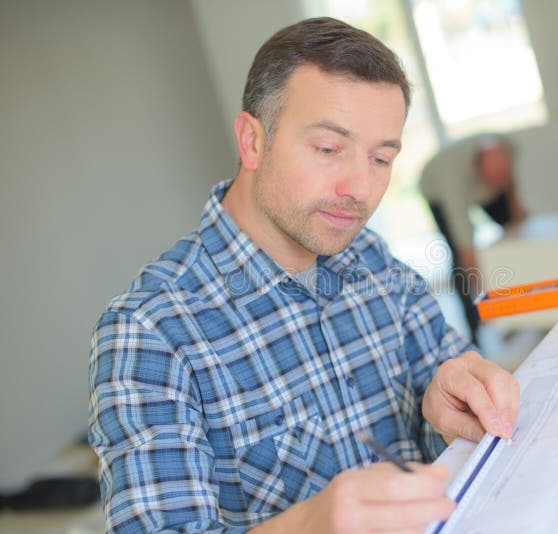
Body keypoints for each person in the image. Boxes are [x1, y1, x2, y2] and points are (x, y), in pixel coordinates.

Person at [88, 17, 519, 533]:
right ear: (252, 141)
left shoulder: (374, 262)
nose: (360, 187)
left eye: (381, 158)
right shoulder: (149, 332)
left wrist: (453, 411)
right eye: (329, 149)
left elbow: (448, 431)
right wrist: (306, 525)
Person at [420, 135, 528, 343]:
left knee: (514, 237)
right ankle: (474, 331)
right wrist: (483, 295)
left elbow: (509, 184)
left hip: (479, 185)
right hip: (438, 193)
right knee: (461, 262)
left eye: (501, 177)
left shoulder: (509, 145)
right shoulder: (451, 180)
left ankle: (522, 312)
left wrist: (516, 207)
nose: (498, 184)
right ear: (478, 170)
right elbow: (466, 244)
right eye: (493, 178)